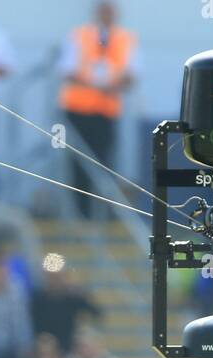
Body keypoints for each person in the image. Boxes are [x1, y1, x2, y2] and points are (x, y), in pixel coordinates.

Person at [58, 1, 137, 218]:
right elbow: (66, 71)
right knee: (78, 162)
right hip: (78, 110)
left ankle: (100, 211)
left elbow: (131, 75)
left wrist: (112, 86)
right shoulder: (79, 35)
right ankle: (80, 212)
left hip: (106, 112)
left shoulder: (125, 38)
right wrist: (95, 84)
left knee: (104, 162)